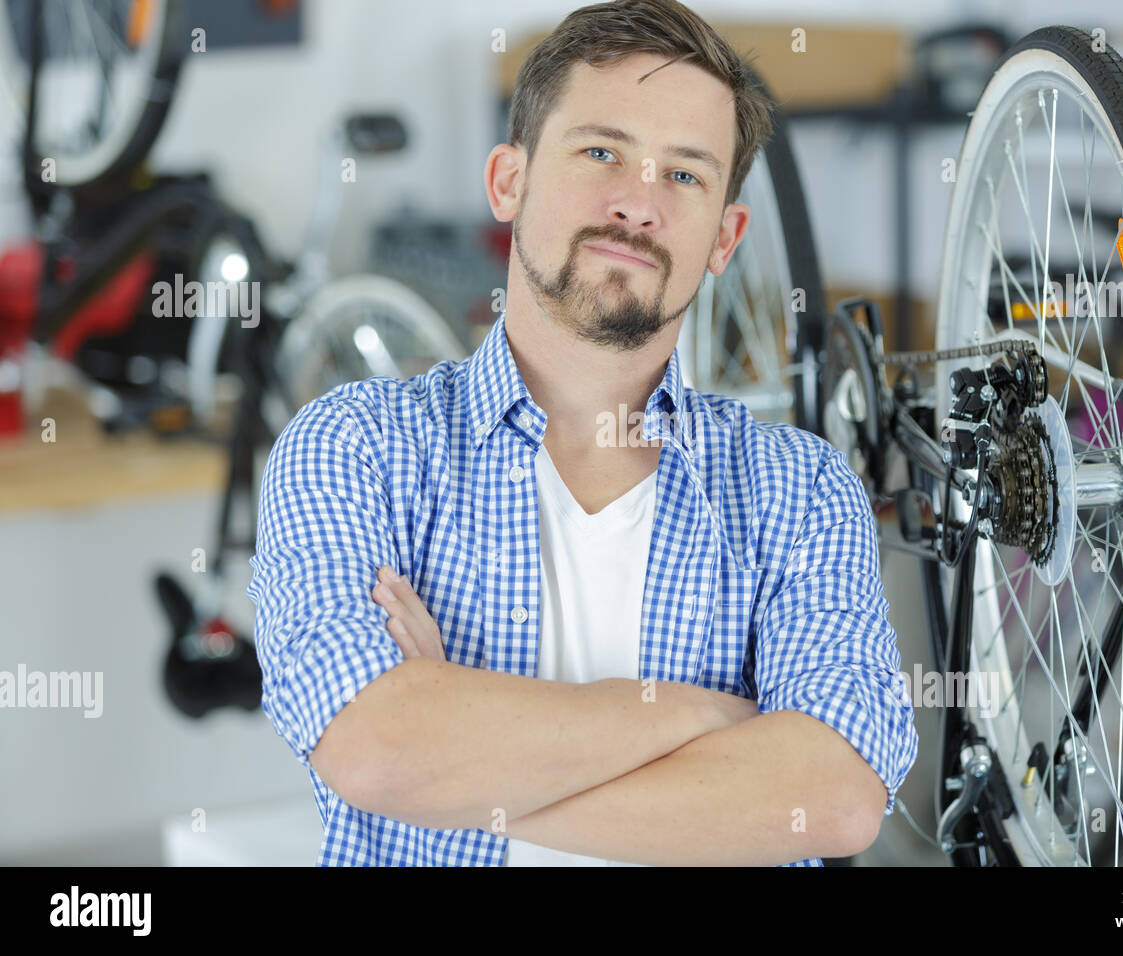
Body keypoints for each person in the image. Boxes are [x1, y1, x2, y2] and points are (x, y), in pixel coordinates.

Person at [247, 0, 917, 867]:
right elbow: (376, 749)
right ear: (508, 182)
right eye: (602, 151)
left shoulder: (802, 490)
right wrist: (698, 713)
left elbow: (830, 799)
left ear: (725, 238)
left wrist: (456, 769)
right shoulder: (353, 449)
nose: (638, 203)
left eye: (685, 175)